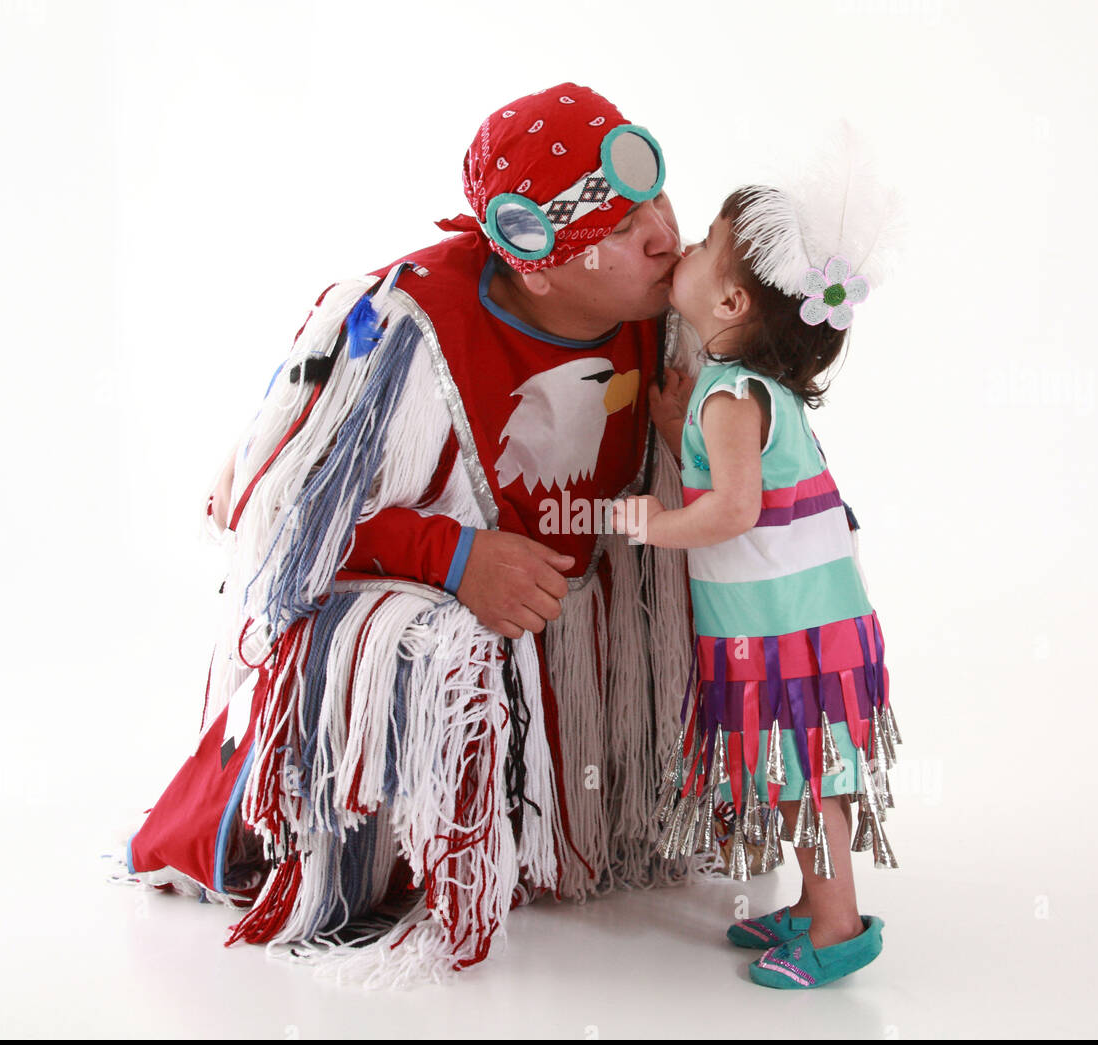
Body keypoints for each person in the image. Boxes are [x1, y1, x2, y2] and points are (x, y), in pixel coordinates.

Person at [119, 82, 712, 989]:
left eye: (658, 203)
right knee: (441, 640)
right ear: (538, 263)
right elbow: (272, 516)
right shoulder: (404, 325)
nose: (665, 236)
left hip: (573, 639)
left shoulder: (677, 312)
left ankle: (597, 825)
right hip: (438, 628)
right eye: (622, 232)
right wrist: (456, 556)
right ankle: (415, 860)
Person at [612, 137, 904, 990]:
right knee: (794, 777)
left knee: (805, 783)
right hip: (784, 627)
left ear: (732, 297)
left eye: (702, 241)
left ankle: (839, 924)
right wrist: (675, 429)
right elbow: (735, 482)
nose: (687, 247)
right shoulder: (734, 392)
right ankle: (820, 908)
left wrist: (655, 523)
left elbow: (733, 509)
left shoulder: (737, 396)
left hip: (790, 634)